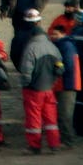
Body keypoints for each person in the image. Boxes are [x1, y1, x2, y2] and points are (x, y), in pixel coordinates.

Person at [19, 16, 64, 153]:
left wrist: (25, 84)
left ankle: (34, 146)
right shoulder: (53, 47)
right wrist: (53, 81)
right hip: (48, 89)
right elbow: (60, 68)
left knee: (34, 118)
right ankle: (54, 144)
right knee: (51, 118)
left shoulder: (30, 48)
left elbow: (26, 70)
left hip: (34, 90)